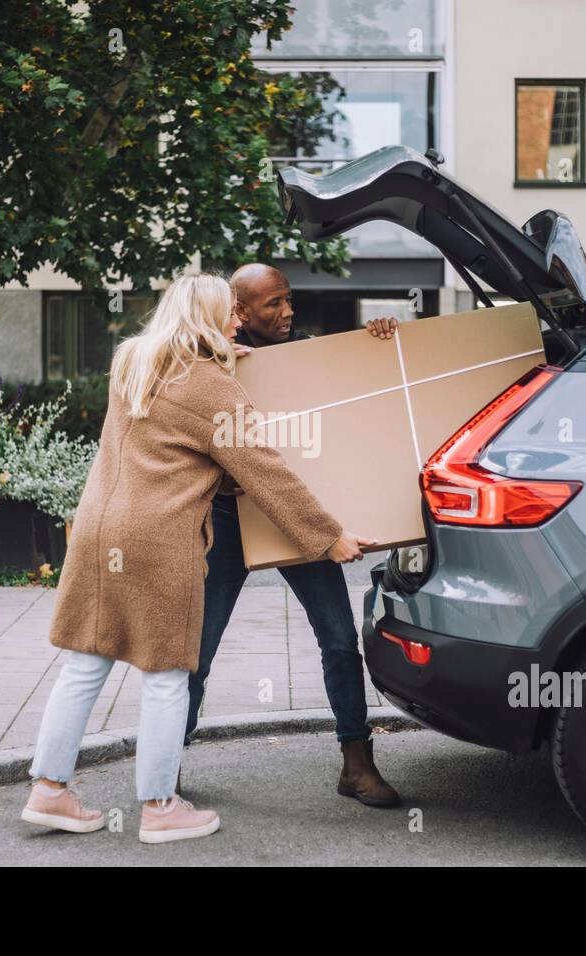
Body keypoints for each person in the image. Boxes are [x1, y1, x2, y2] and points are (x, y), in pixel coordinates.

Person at [21, 272, 372, 844]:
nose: (238, 322)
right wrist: (326, 537)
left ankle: (49, 790)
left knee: (84, 663)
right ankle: (160, 808)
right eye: (228, 314)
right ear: (208, 318)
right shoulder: (211, 387)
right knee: (167, 675)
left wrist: (219, 358)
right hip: (159, 539)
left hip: (98, 530)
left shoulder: (133, 360)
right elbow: (264, 471)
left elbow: (176, 404)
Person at [184, 263, 402, 808]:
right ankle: (166, 766)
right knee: (196, 647)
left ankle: (357, 763)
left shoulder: (308, 355)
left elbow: (367, 395)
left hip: (296, 514)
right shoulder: (207, 362)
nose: (287, 312)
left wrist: (380, 341)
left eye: (288, 300)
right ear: (239, 311)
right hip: (231, 517)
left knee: (337, 637)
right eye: (272, 304)